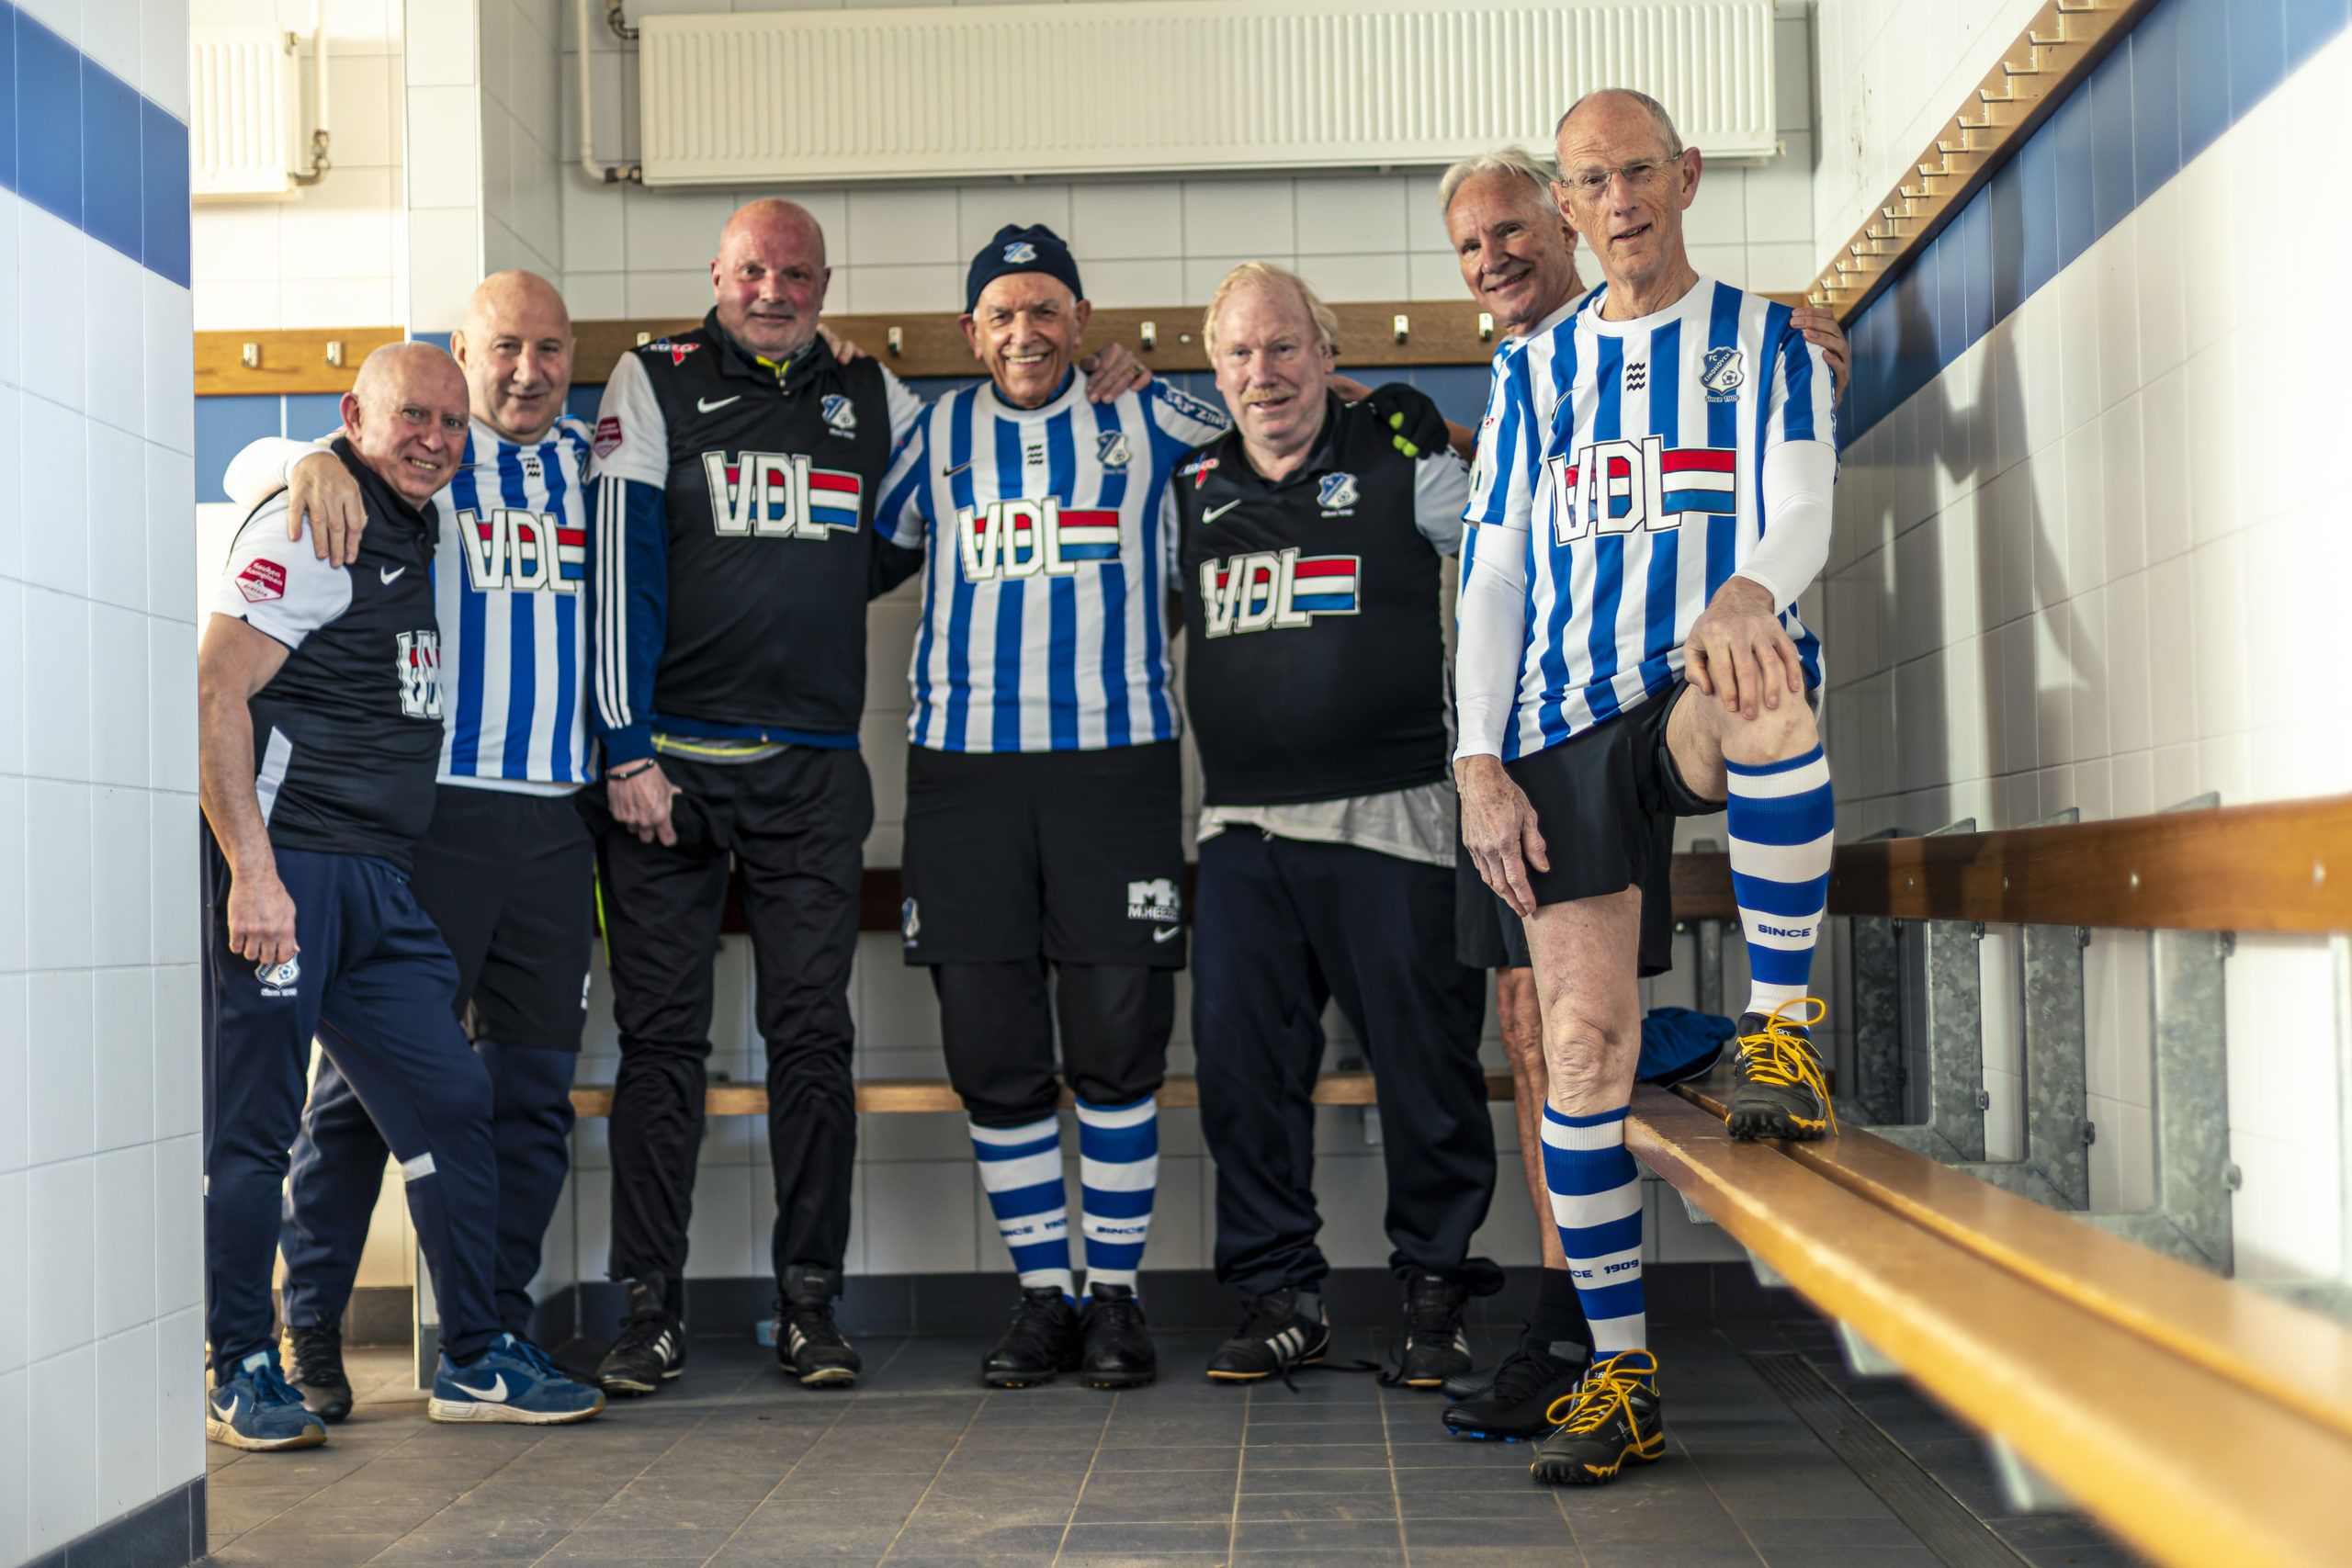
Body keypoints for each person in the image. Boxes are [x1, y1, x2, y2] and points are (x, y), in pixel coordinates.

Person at [584, 201, 1153, 1394]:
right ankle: (648, 1309)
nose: (775, 291)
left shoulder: (875, 398)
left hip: (809, 769)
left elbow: (890, 544)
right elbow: (616, 563)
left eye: (797, 275)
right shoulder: (655, 377)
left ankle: (810, 1305)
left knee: (813, 1041)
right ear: (719, 273)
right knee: (661, 1048)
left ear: (825, 285)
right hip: (669, 773)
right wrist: (624, 746)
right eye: (754, 271)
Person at [1433, 145, 1855, 1445]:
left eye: (1635, 174)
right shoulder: (1528, 376)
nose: (1615, 200)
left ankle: (1779, 1026)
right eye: (1590, 181)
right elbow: (1495, 576)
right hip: (1557, 724)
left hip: (1687, 676)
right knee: (1578, 1048)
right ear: (1574, 206)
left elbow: (1805, 504)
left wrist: (1750, 586)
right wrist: (1478, 758)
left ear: (1679, 182)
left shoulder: (1764, 336)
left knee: (1769, 686)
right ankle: (1617, 1372)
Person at [199, 343, 605, 1450]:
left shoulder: (409, 513)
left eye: (449, 420)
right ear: (354, 417)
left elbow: (261, 460)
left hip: (383, 878)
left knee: (452, 1102)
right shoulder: (310, 516)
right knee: (256, 1130)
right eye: (408, 418)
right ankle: (241, 1365)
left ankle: (473, 1355)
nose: (433, 436)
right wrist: (253, 872)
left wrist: (307, 458)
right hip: (291, 874)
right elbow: (214, 688)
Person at [873, 225, 1236, 1390]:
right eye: (1000, 314)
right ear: (971, 332)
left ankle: (1117, 1297)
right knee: (991, 1044)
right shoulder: (933, 436)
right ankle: (1044, 1293)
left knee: (1120, 1040)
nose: (1023, 331)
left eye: (1045, 310)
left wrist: (1161, 370)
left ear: (1081, 322)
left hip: (1115, 767)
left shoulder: (1158, 421)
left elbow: (1287, 414)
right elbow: (863, 550)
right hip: (964, 776)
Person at [1171, 263, 1501, 1388]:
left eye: (1282, 348)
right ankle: (1280, 1296)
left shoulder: (1402, 459)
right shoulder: (1188, 486)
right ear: (1214, 370)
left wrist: (1450, 432)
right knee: (1242, 1071)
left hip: (1395, 818)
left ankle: (1434, 1291)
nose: (1261, 374)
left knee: (1426, 1067)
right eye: (1238, 355)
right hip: (1242, 831)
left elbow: (1520, 538)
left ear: (1325, 353)